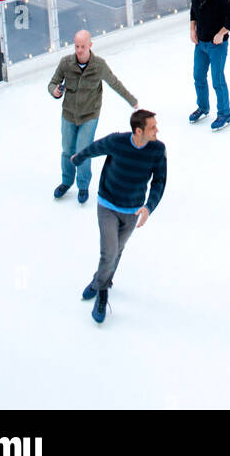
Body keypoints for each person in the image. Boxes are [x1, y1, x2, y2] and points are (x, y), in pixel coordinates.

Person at [71, 108, 166, 324]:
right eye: (152, 127)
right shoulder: (117, 142)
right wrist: (78, 159)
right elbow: (95, 148)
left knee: (117, 250)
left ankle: (101, 279)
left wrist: (148, 207)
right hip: (107, 204)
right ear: (138, 131)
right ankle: (101, 292)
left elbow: (159, 181)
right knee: (109, 252)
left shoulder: (158, 150)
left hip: (131, 210)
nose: (157, 131)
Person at [47, 30, 137, 204]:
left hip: (89, 115)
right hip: (69, 114)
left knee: (83, 150)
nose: (79, 50)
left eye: (82, 46)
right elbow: (52, 83)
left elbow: (115, 83)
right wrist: (55, 91)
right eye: (76, 46)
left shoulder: (99, 65)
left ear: (90, 45)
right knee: (67, 150)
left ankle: (83, 185)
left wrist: (131, 100)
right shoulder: (66, 63)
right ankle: (66, 181)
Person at [188, 0, 230, 130]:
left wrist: (221, 33)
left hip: (217, 46)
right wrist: (192, 30)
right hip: (201, 44)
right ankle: (203, 107)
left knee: (217, 79)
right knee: (198, 76)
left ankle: (225, 114)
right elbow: (193, 12)